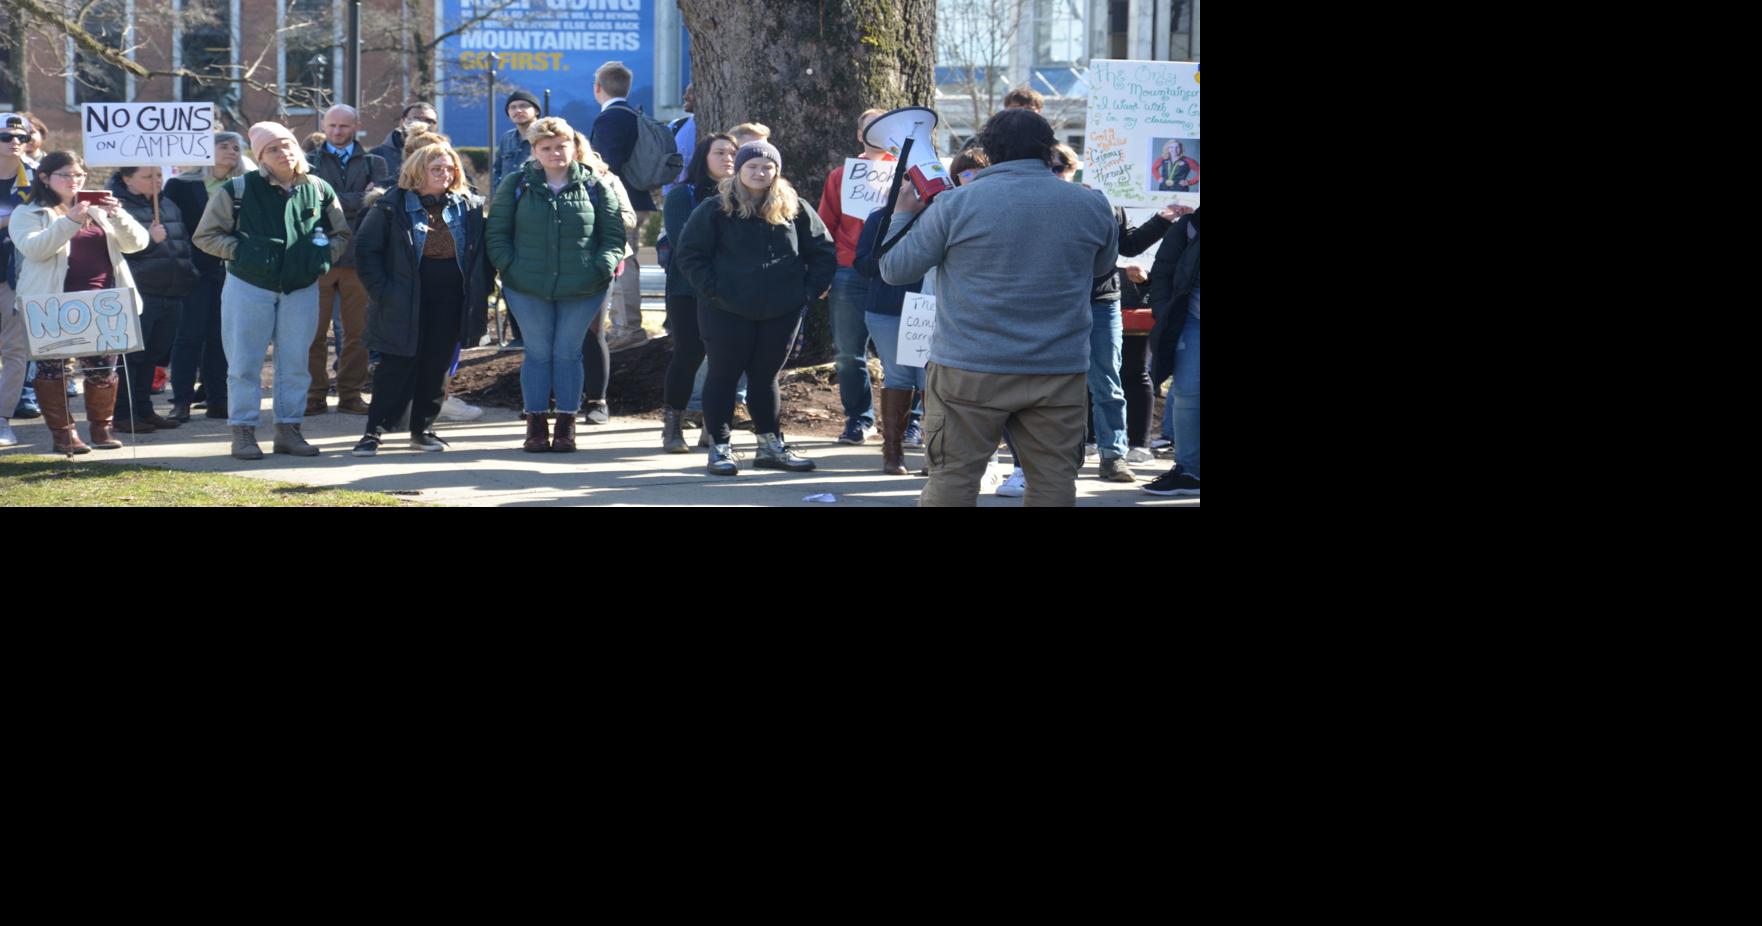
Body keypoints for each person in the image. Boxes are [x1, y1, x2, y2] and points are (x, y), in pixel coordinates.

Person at [880, 108, 1117, 507]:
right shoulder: (1091, 204)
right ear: (1048, 149)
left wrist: (902, 211)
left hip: (967, 368)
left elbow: (894, 269)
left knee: (953, 481)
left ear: (987, 151)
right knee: (1054, 483)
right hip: (1057, 368)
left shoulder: (955, 204)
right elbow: (1101, 268)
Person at [673, 140, 835, 476]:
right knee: (723, 376)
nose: (760, 172)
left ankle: (770, 446)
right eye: (753, 166)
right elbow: (689, 253)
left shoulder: (795, 206)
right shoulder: (716, 208)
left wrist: (807, 292)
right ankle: (720, 447)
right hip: (725, 308)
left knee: (765, 378)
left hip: (781, 309)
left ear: (777, 170)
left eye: (767, 166)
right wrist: (712, 289)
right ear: (740, 169)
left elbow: (822, 250)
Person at [192, 121, 350, 460]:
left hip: (301, 287)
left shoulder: (319, 188)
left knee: (295, 363)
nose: (284, 152)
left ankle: (289, 430)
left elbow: (340, 235)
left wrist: (319, 258)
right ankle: (243, 432)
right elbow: (205, 236)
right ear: (260, 156)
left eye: (288, 145)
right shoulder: (238, 189)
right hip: (248, 285)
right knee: (244, 364)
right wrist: (245, 253)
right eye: (273, 148)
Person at [485, 116, 624, 453]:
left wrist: (600, 267)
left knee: (567, 353)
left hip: (583, 287)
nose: (555, 153)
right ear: (534, 151)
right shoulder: (516, 184)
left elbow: (613, 236)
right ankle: (535, 424)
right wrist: (510, 267)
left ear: (573, 147)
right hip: (526, 286)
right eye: (546, 147)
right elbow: (496, 233)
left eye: (561, 146)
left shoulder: (595, 185)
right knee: (537, 353)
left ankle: (566, 424)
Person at [351, 143, 491, 456]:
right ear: (418, 172)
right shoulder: (390, 206)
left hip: (452, 298)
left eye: (449, 168)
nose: (445, 174)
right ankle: (374, 433)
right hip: (402, 298)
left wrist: (481, 293)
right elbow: (365, 251)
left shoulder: (468, 207)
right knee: (395, 365)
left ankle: (423, 430)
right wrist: (384, 292)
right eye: (436, 169)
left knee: (437, 365)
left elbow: (481, 254)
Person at [10, 151, 151, 454]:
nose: (74, 181)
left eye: (79, 175)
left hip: (104, 302)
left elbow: (138, 243)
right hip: (51, 305)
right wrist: (69, 222)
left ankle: (102, 429)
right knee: (53, 371)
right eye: (65, 174)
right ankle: (64, 435)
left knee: (103, 370)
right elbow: (35, 249)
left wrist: (118, 215)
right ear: (45, 178)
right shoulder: (29, 212)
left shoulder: (99, 210)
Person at [306, 104, 391, 417]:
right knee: (312, 333)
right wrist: (357, 197)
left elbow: (379, 202)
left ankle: (350, 394)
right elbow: (311, 202)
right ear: (324, 126)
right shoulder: (309, 161)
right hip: (319, 259)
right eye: (332, 126)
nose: (337, 132)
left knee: (358, 333)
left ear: (356, 125)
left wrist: (332, 199)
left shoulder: (375, 162)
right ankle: (314, 394)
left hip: (360, 259)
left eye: (344, 126)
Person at [817, 108, 894, 446]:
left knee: (905, 354)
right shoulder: (840, 176)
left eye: (883, 128)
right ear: (859, 135)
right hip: (848, 270)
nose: (875, 134)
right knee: (849, 353)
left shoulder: (909, 173)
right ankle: (859, 420)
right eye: (869, 129)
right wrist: (825, 273)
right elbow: (825, 225)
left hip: (897, 271)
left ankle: (909, 422)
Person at [658, 132, 737, 453]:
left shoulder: (745, 196)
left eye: (733, 153)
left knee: (724, 362)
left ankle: (713, 427)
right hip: (687, 289)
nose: (728, 158)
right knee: (688, 355)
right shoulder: (682, 195)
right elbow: (684, 242)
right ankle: (673, 426)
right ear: (703, 158)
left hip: (731, 292)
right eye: (720, 153)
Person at [163, 131, 248, 422]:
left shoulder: (245, 185)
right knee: (189, 336)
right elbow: (173, 226)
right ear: (205, 151)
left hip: (232, 270)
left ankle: (218, 400)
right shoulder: (181, 185)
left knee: (220, 338)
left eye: (236, 147)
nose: (231, 151)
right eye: (223, 146)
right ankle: (181, 402)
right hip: (193, 270)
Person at [108, 165, 200, 432]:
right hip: (140, 291)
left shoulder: (168, 204)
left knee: (153, 356)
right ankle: (124, 413)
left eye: (158, 175)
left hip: (171, 290)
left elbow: (182, 242)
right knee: (132, 356)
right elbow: (118, 249)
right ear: (127, 178)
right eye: (147, 177)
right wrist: (150, 239)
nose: (157, 181)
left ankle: (144, 409)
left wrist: (188, 273)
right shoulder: (116, 208)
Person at [588, 61, 655, 352]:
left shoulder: (610, 118)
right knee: (625, 261)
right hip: (636, 197)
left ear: (598, 88)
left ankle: (627, 328)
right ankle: (625, 325)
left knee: (622, 263)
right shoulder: (632, 114)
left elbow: (605, 164)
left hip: (619, 203)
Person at [573, 130, 637, 426]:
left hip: (599, 263)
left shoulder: (605, 178)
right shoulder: (534, 180)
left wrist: (594, 212)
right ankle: (551, 398)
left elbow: (629, 217)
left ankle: (596, 400)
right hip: (549, 266)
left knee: (592, 330)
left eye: (566, 146)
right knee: (551, 335)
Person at [1143, 206, 1200, 497]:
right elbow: (1162, 270)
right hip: (1190, 320)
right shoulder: (1189, 225)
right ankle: (1189, 471)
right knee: (1188, 393)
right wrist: (1164, 312)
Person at [1, 115, 39, 448]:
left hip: (17, 277)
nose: (15, 141)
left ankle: (2, 419)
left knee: (15, 352)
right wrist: (14, 218)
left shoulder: (38, 178)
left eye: (21, 136)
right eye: (6, 136)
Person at [371, 102, 437, 179]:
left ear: (436, 125)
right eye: (416, 119)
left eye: (429, 121)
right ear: (402, 122)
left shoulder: (445, 156)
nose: (423, 124)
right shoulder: (377, 155)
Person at [491, 89, 541, 193]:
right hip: (507, 200)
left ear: (536, 111)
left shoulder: (546, 137)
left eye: (523, 106)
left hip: (535, 200)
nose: (518, 110)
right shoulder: (507, 138)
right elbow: (497, 170)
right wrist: (499, 191)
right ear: (508, 113)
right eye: (513, 107)